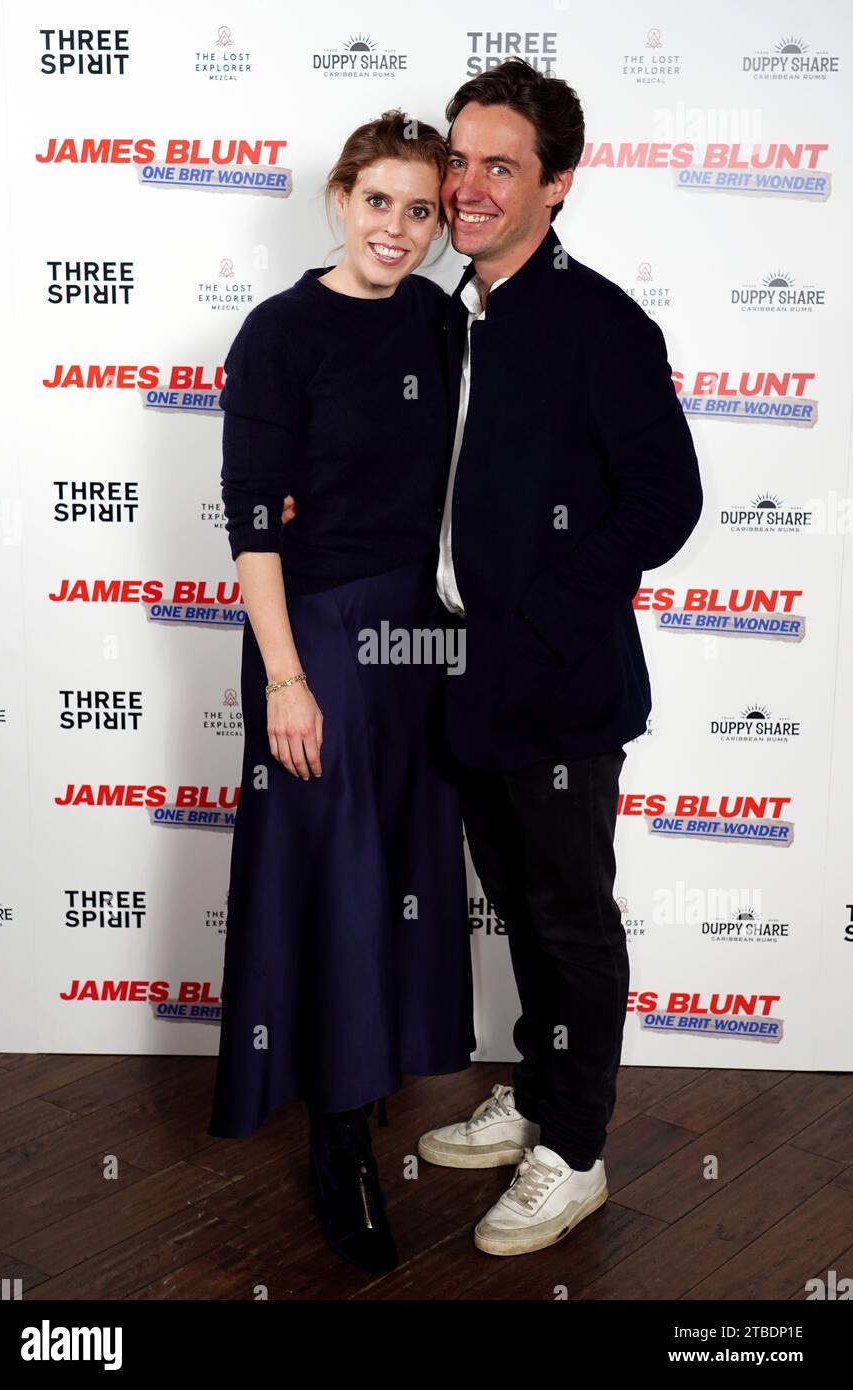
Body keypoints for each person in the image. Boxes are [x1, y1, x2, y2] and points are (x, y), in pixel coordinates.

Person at [416, 59, 703, 1256]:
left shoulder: (598, 322)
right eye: (460, 159)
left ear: (558, 184)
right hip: (465, 677)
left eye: (501, 165)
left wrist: (545, 604)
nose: (469, 186)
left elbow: (667, 498)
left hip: (559, 681)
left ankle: (573, 1151)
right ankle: (537, 1091)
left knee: (572, 922)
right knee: (525, 917)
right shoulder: (447, 309)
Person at [207, 110, 475, 1275]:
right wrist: (285, 679)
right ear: (340, 197)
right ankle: (335, 1147)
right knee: (331, 889)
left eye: (422, 210)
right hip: (312, 637)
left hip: (420, 636)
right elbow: (254, 516)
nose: (400, 229)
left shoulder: (444, 322)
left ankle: (374, 1097)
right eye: (381, 202)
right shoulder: (279, 333)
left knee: (401, 882)